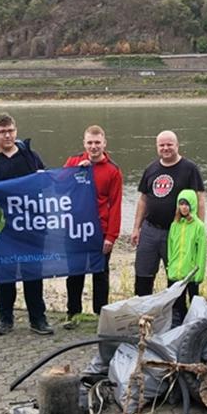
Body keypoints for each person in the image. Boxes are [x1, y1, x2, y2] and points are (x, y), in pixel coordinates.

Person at [0, 113, 54, 336]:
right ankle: (5, 320)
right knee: (5, 274)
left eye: (10, 131)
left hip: (30, 226)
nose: (7, 135)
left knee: (33, 274)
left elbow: (46, 182)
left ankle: (38, 320)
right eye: (2, 132)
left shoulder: (30, 156)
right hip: (1, 231)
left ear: (15, 131)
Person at [130, 130, 206, 296]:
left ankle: (178, 314)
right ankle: (143, 311)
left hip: (177, 230)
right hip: (150, 229)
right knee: (143, 272)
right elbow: (143, 199)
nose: (166, 148)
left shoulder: (190, 169)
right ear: (157, 147)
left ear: (177, 146)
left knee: (176, 273)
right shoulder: (151, 169)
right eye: (162, 145)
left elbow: (199, 199)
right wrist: (136, 228)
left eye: (169, 144)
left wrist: (198, 227)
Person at [63, 125, 123, 325]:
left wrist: (111, 236)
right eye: (90, 142)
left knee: (100, 275)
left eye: (97, 143)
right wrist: (76, 171)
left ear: (104, 143)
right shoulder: (73, 162)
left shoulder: (113, 170)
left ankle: (100, 315)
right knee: (74, 274)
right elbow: (60, 187)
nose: (93, 146)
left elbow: (115, 205)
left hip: (100, 231)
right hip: (76, 229)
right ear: (84, 143)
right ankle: (73, 313)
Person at [165, 189, 207, 325]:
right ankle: (179, 325)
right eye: (181, 204)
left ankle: (194, 325)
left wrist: (199, 273)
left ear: (193, 205)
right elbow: (170, 248)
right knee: (178, 302)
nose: (184, 207)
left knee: (194, 300)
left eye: (187, 204)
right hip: (176, 272)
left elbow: (201, 251)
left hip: (191, 273)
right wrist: (170, 266)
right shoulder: (174, 225)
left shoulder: (199, 226)